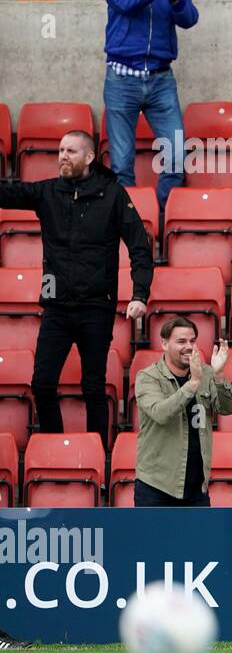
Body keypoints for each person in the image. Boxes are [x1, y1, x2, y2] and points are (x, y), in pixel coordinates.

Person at [0, 130, 152, 449]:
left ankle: (97, 453)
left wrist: (139, 294)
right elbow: (7, 194)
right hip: (55, 306)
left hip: (97, 307)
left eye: (70, 151)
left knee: (93, 388)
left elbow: (140, 245)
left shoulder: (113, 195)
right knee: (41, 384)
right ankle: (56, 449)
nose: (63, 156)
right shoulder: (48, 192)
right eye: (60, 150)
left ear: (89, 157)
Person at [102, 0, 197, 209]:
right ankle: (130, 222)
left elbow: (190, 19)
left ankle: (158, 216)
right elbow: (126, 3)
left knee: (177, 156)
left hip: (161, 81)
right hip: (121, 80)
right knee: (121, 165)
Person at [133, 319, 232, 507]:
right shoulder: (148, 377)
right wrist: (193, 384)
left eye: (192, 341)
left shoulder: (205, 372)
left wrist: (219, 375)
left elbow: (228, 408)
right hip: (157, 487)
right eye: (181, 342)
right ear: (164, 343)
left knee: (199, 538)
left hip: (197, 487)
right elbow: (160, 413)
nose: (188, 347)